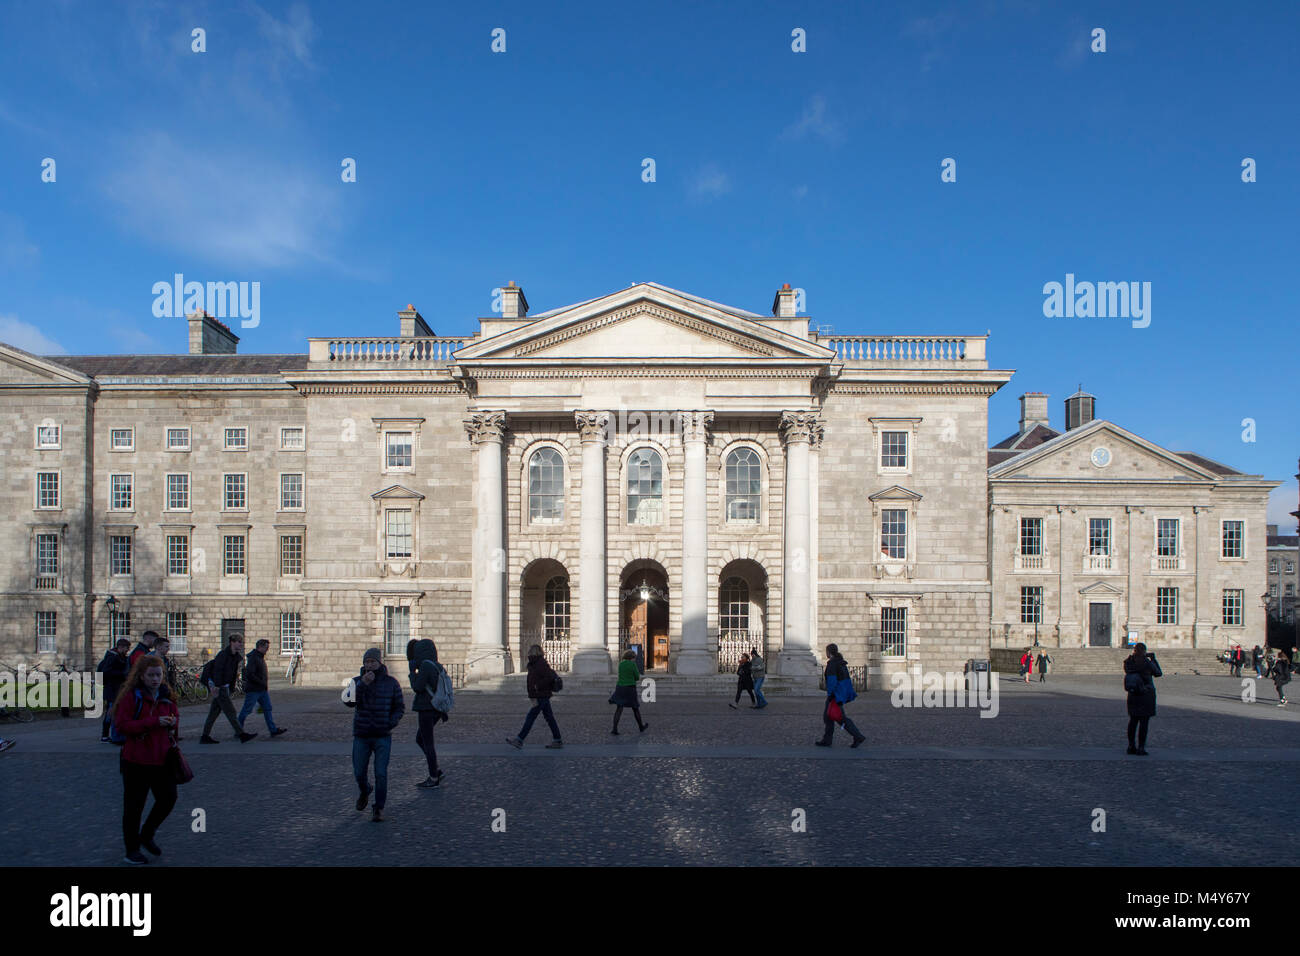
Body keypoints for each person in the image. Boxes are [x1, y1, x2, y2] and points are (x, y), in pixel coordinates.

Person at [116, 654, 180, 864]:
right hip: (136, 760)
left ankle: (147, 833)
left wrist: (171, 722)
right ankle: (131, 850)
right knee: (134, 807)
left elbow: (175, 719)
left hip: (161, 758)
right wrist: (153, 722)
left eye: (158, 675)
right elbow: (122, 726)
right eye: (151, 675)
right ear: (141, 676)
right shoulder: (130, 696)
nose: (155, 679)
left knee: (168, 798)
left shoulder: (167, 696)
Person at [345, 648, 405, 822]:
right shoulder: (356, 681)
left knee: (381, 773)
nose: (370, 665)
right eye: (367, 662)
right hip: (362, 735)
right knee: (359, 773)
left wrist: (390, 722)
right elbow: (348, 702)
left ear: (380, 663)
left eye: (373, 661)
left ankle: (378, 808)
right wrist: (362, 684)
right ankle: (365, 790)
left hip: (382, 735)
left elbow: (399, 707)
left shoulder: (391, 683)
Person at [199, 634, 256, 744]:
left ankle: (205, 736)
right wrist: (217, 686)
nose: (241, 644)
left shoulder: (235, 657)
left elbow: (232, 675)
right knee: (231, 712)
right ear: (232, 642)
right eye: (239, 642)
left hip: (224, 687)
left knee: (213, 713)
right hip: (220, 688)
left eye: (241, 642)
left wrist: (231, 687)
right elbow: (218, 671)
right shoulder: (223, 655)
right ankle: (241, 734)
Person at [506, 644, 564, 749]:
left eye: (530, 651)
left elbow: (548, 677)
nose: (528, 653)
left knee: (531, 717)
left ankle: (519, 739)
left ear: (533, 652)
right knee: (549, 718)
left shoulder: (540, 664)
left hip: (541, 695)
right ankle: (557, 740)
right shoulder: (535, 663)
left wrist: (537, 687)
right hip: (541, 694)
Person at [407, 638, 447, 786]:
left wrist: (412, 672)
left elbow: (417, 687)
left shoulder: (425, 666)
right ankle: (435, 770)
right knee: (420, 739)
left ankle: (434, 776)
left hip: (426, 708)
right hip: (436, 708)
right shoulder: (437, 665)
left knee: (427, 743)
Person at [816, 644, 866, 748]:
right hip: (840, 693)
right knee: (829, 717)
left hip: (835, 695)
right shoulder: (840, 662)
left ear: (829, 652)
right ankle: (827, 739)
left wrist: (831, 695)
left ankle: (858, 736)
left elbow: (832, 681)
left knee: (839, 718)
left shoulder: (832, 664)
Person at [238, 639, 286, 737]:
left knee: (267, 708)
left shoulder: (259, 657)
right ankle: (238, 730)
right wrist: (261, 682)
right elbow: (250, 674)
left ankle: (273, 730)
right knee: (246, 710)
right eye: (266, 647)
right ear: (260, 647)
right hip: (254, 690)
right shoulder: (253, 658)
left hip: (262, 690)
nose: (267, 650)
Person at [1123, 643, 1162, 756]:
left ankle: (1131, 746)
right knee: (1144, 722)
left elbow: (1128, 670)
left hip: (1133, 694)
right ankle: (1141, 747)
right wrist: (1153, 659)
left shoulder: (1128, 662)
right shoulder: (1147, 663)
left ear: (1134, 651)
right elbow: (1158, 673)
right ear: (1144, 651)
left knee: (1133, 721)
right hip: (1146, 694)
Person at [97, 637, 132, 742]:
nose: (127, 651)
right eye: (126, 648)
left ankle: (107, 734)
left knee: (111, 710)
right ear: (120, 647)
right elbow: (106, 672)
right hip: (112, 688)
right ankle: (106, 735)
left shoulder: (116, 656)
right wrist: (122, 674)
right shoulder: (112, 657)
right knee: (111, 711)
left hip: (114, 688)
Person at [608, 649, 648, 735]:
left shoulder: (621, 664)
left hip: (620, 687)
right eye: (634, 658)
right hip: (630, 688)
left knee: (619, 709)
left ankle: (614, 729)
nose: (635, 659)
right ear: (631, 657)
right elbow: (637, 677)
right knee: (635, 708)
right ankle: (641, 727)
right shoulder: (632, 664)